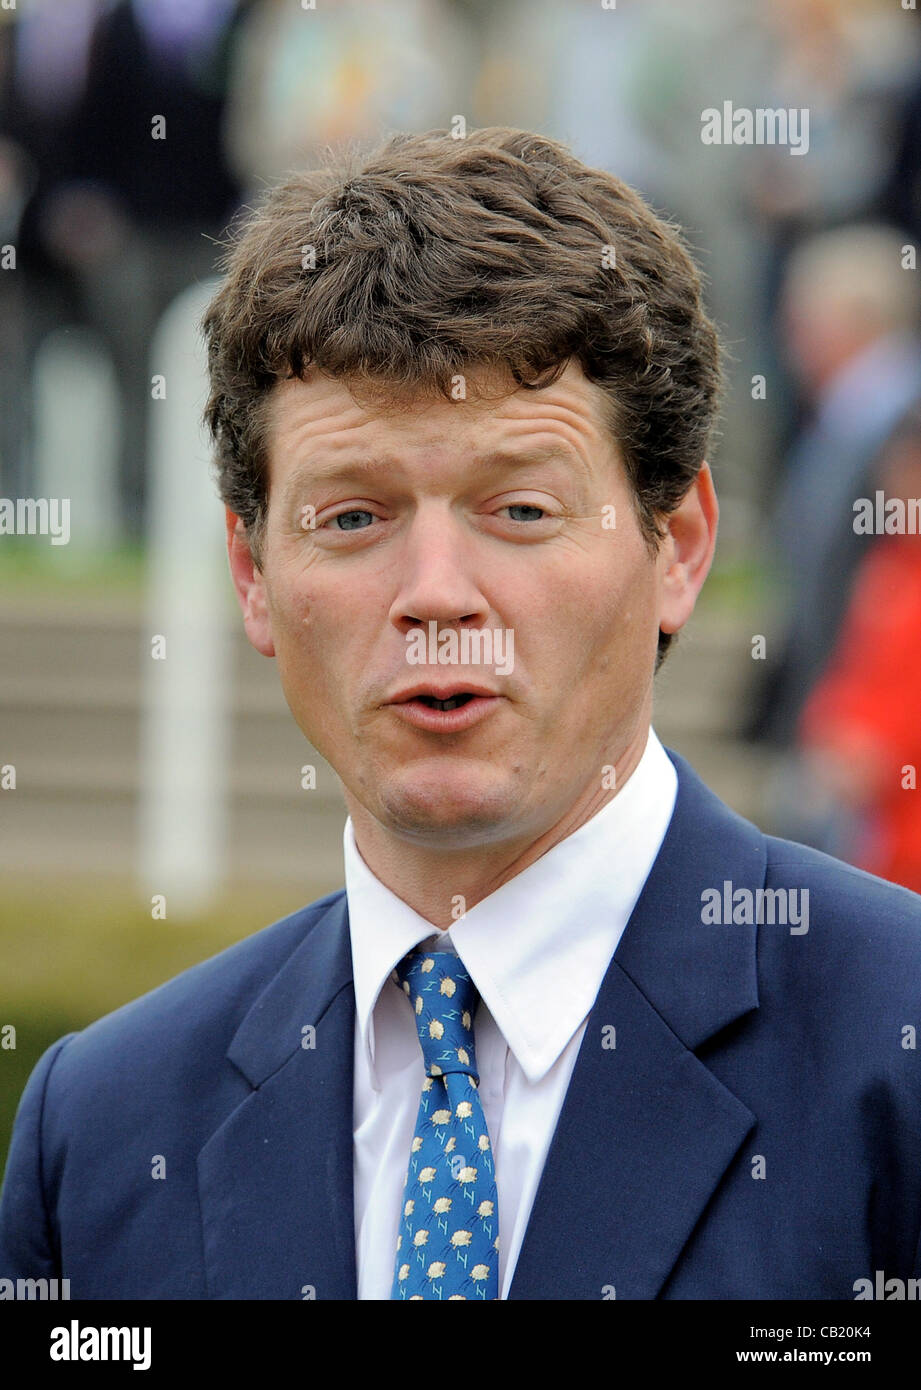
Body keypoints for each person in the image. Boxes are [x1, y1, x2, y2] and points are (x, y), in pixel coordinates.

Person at [2, 127, 921, 1301]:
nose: (437, 592)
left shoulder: (894, 1051)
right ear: (250, 573)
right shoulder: (102, 1130)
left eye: (521, 508)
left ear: (678, 544)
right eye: (353, 518)